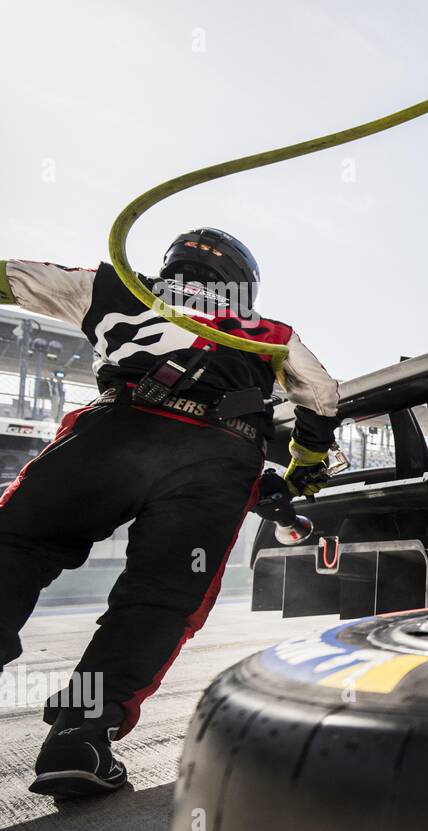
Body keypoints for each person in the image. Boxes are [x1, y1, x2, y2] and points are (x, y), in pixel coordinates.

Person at [0, 227, 340, 796]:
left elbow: (13, 277)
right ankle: (81, 733)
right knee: (160, 597)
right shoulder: (271, 333)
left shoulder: (117, 287)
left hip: (113, 433)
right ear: (244, 282)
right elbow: (323, 396)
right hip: (216, 456)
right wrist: (305, 463)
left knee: (16, 545)